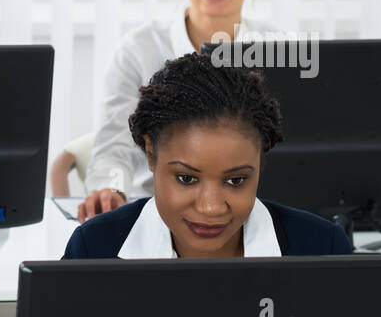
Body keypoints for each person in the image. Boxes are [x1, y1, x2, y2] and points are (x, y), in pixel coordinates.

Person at [79, 0, 275, 223]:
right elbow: (114, 147)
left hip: (257, 221)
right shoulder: (138, 50)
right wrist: (109, 188)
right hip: (159, 223)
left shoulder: (280, 51)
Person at [64, 51, 352, 259]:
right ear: (151, 154)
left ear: (260, 164)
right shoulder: (96, 248)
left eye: (236, 180)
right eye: (187, 178)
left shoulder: (321, 247)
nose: (211, 208)